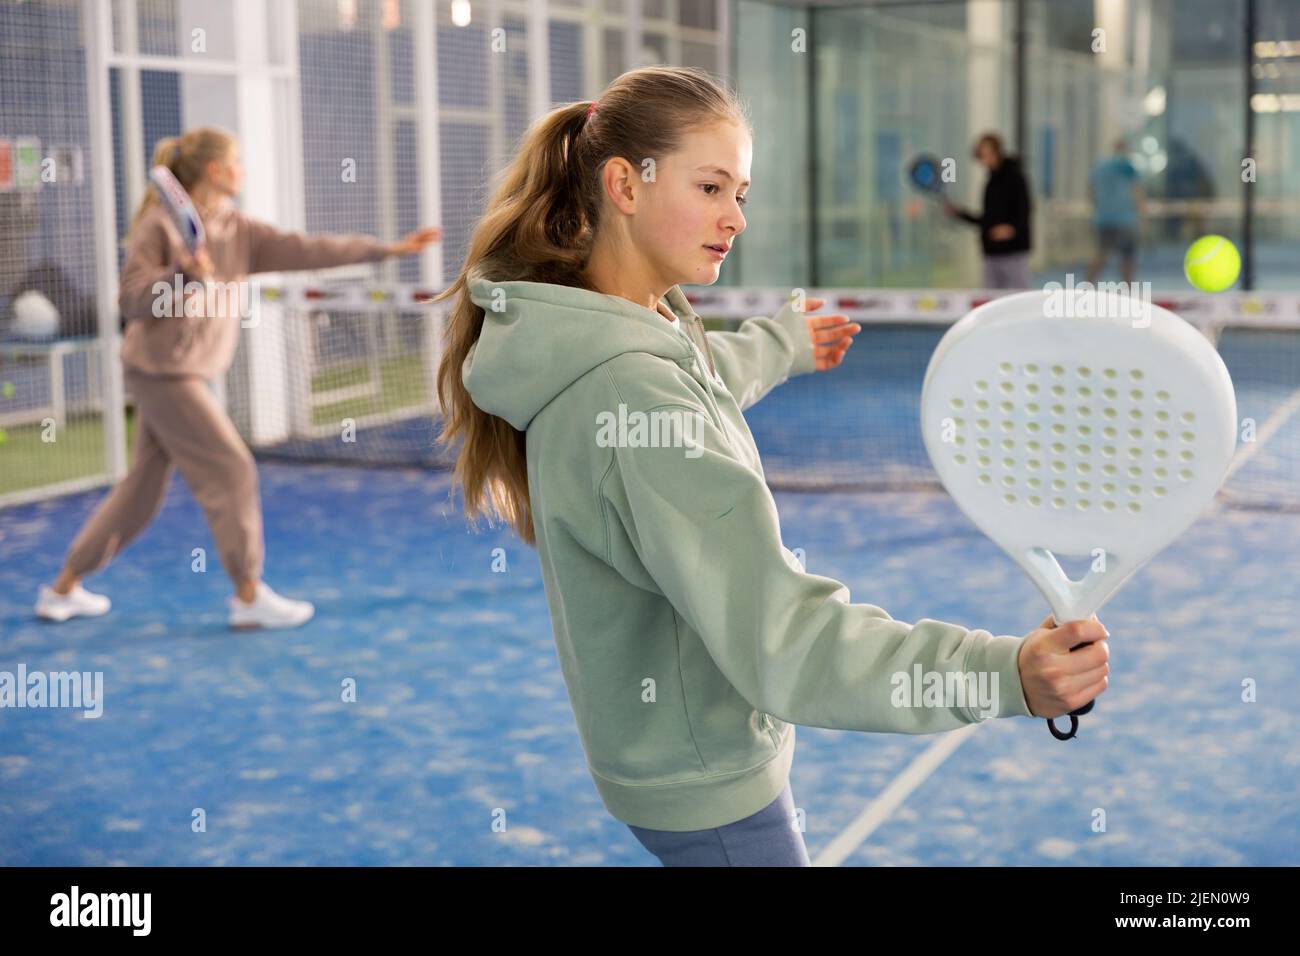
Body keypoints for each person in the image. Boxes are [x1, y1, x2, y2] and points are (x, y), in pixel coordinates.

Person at [434, 67, 1108, 866]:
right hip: (709, 786)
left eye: (741, 192)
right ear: (625, 184)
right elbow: (784, 637)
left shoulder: (615, 325)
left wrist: (782, 346)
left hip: (671, 762)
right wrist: (1004, 676)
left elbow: (698, 379)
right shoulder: (632, 391)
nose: (736, 217)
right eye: (712, 186)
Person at [35, 127, 440, 629]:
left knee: (140, 491)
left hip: (185, 373)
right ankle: (248, 597)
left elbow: (308, 249)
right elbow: (132, 300)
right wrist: (184, 274)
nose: (243, 171)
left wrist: (389, 252)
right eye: (238, 162)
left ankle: (62, 590)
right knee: (233, 470)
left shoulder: (240, 231)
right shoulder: (158, 227)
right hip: (164, 373)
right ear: (215, 170)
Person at [944, 132, 1034, 289]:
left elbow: (1025, 210)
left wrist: (1011, 229)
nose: (985, 160)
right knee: (990, 297)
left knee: (1018, 296)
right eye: (982, 155)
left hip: (1013, 251)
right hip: (991, 252)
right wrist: (960, 213)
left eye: (988, 154)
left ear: (997, 151)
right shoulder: (990, 182)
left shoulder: (1015, 177)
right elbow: (987, 220)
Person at [1086, 139, 1144, 285]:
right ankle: (1128, 290)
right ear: (1124, 149)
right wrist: (1141, 212)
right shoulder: (1126, 166)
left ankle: (1086, 286)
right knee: (1127, 257)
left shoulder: (1099, 167)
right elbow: (1136, 191)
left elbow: (1091, 192)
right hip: (1124, 220)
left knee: (1101, 254)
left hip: (1103, 219)